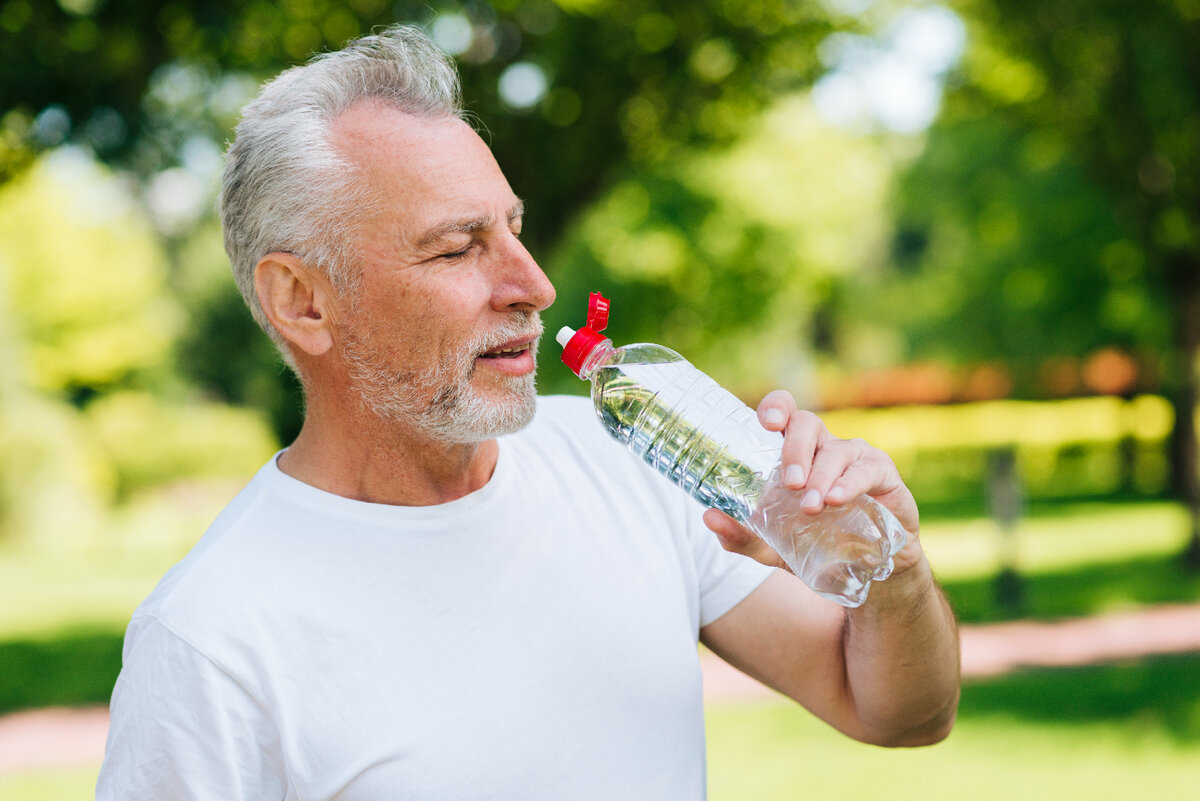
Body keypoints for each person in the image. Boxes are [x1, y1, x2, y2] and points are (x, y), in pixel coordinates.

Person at [96, 24, 959, 800]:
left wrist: (891, 570)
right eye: (457, 247)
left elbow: (897, 710)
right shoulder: (210, 640)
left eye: (513, 228)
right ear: (304, 302)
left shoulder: (626, 456)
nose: (535, 286)